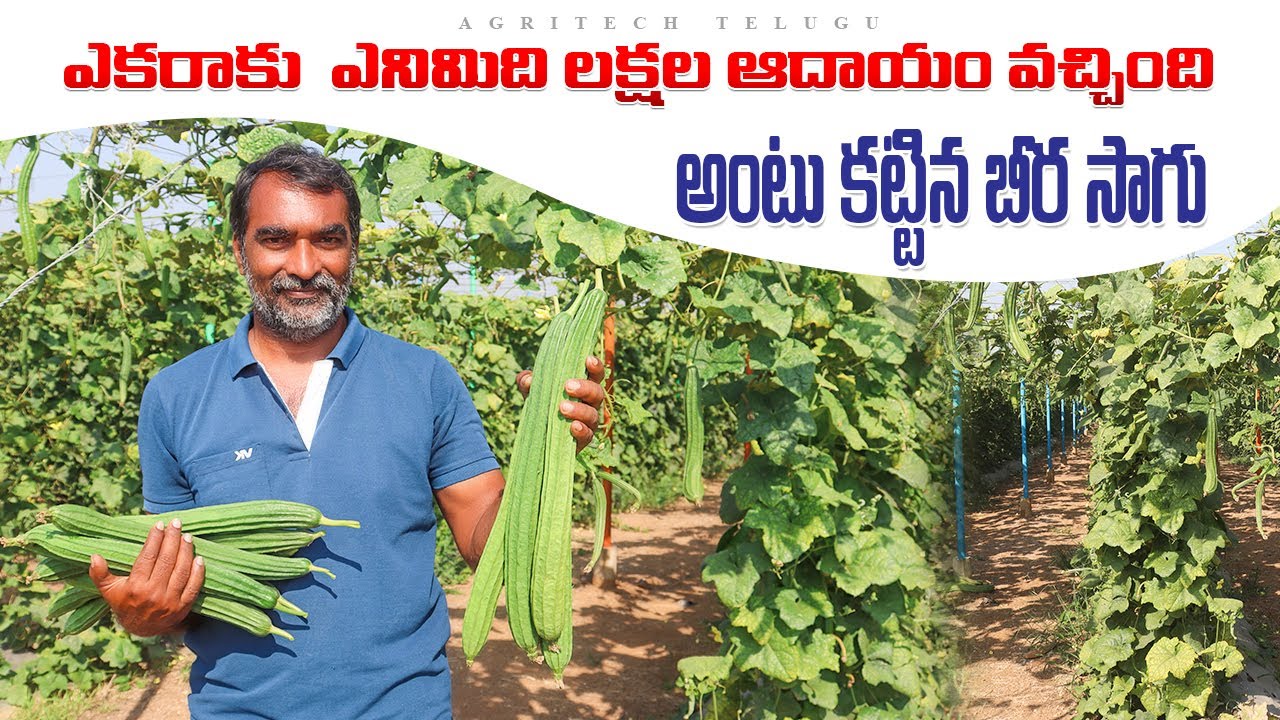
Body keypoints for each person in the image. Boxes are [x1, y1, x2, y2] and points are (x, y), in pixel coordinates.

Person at [85, 144, 605, 719]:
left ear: (352, 249)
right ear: (240, 250)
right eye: (276, 239)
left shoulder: (424, 378)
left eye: (328, 240)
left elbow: (488, 542)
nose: (305, 266)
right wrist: (141, 614)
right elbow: (171, 574)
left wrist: (550, 450)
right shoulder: (174, 395)